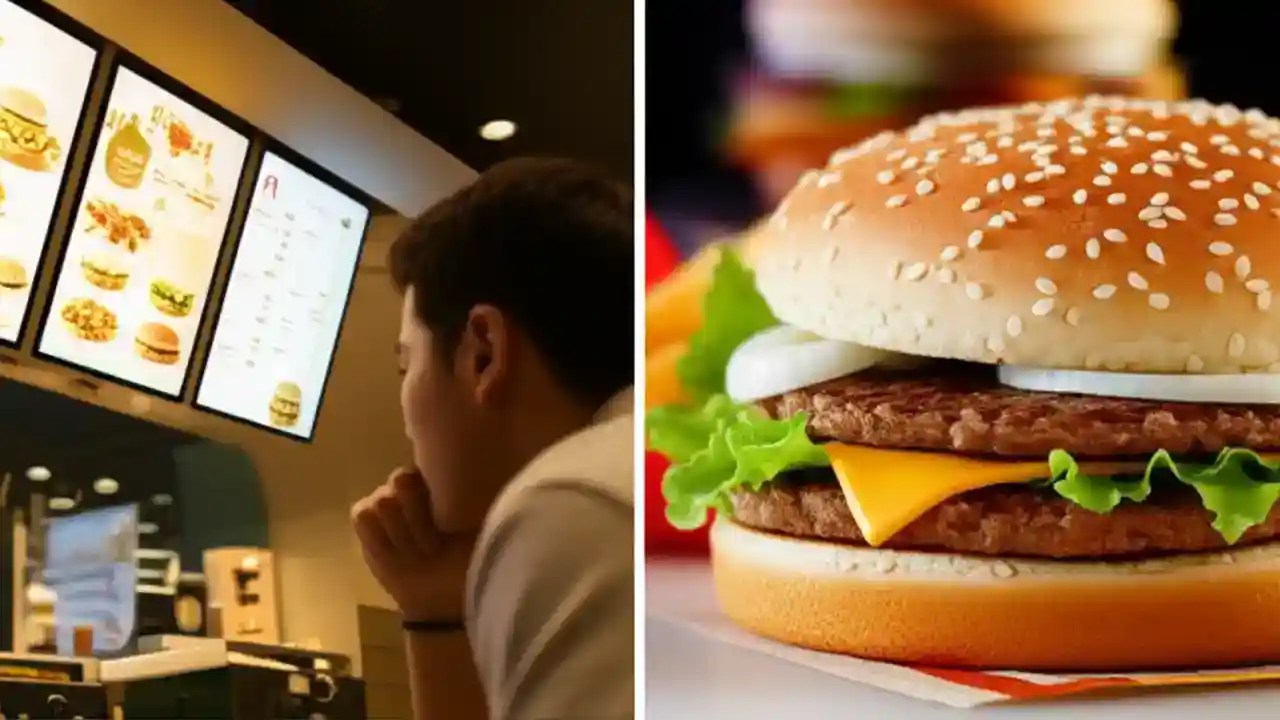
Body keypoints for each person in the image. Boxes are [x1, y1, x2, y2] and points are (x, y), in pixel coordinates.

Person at [350, 157, 635, 720]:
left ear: (483, 352)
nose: (406, 414)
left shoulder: (571, 503)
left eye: (407, 365)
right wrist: (434, 609)